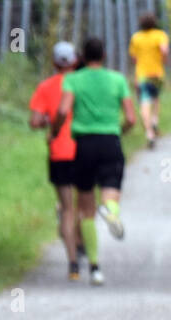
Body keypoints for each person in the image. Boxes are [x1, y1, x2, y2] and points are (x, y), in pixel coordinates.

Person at [52, 36, 135, 286]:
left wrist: (56, 130)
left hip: (84, 145)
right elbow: (131, 118)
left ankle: (95, 268)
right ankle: (110, 212)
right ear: (105, 55)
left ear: (82, 58)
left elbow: (64, 111)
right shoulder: (118, 79)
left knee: (85, 210)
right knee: (111, 194)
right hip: (110, 141)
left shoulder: (73, 80)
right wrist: (119, 130)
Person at [29, 41, 85, 280]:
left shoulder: (45, 87)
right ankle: (83, 243)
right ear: (75, 61)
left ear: (54, 62)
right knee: (84, 205)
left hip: (59, 152)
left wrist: (47, 123)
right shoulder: (84, 84)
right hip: (85, 149)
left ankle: (73, 264)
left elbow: (34, 121)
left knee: (67, 208)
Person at [127, 11, 169, 149]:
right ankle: (155, 120)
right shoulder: (160, 35)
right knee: (156, 98)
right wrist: (164, 60)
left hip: (142, 74)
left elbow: (133, 58)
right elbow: (164, 50)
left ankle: (149, 133)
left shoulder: (136, 38)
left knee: (145, 102)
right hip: (157, 74)